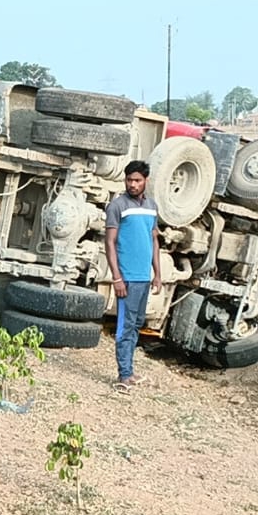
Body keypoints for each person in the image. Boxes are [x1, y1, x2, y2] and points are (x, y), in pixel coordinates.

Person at [104, 159, 162, 394]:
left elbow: (154, 240)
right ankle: (123, 375)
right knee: (125, 326)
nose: (133, 184)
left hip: (143, 278)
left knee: (137, 324)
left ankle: (129, 370)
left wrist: (158, 274)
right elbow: (109, 242)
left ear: (145, 181)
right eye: (129, 180)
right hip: (126, 278)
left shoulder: (152, 206)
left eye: (137, 180)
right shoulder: (117, 206)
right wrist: (117, 278)